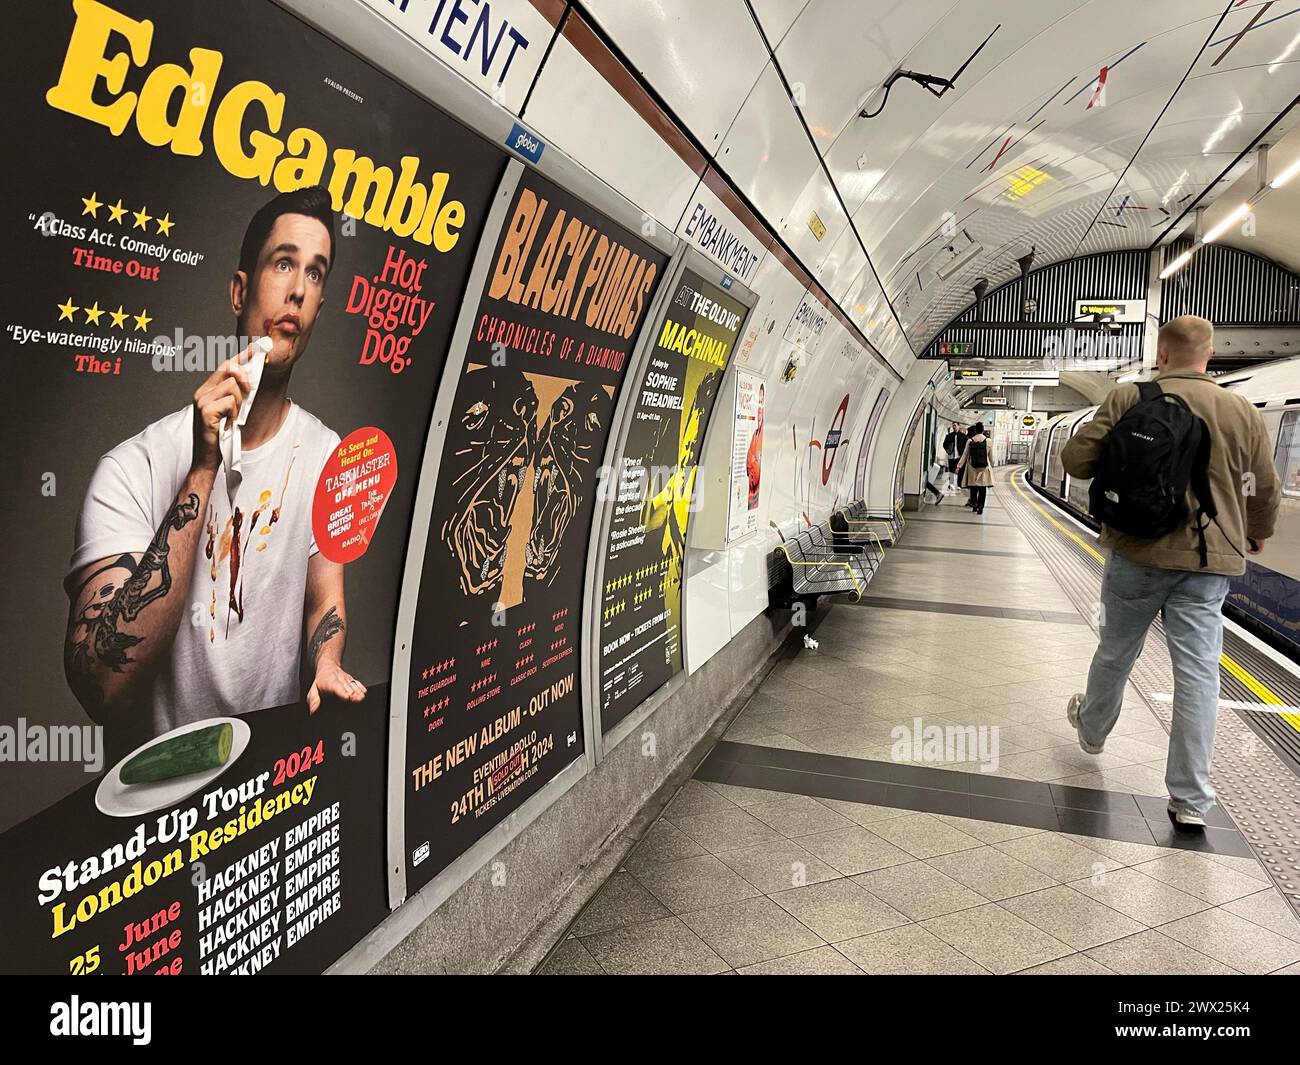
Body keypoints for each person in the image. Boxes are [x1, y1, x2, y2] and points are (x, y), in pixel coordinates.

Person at [64, 186, 367, 743]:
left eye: (316, 273)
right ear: (239, 291)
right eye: (283, 264)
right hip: (154, 806)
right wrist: (204, 467)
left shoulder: (329, 456)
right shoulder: (132, 469)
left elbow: (325, 598)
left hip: (268, 790)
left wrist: (326, 662)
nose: (298, 290)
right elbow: (100, 683)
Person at [1061, 315, 1281, 829]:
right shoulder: (1241, 409)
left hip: (1136, 551)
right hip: (1209, 563)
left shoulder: (1127, 396)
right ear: (1209, 357)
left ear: (1162, 353)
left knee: (1117, 649)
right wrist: (1255, 529)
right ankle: (1190, 801)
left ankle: (1092, 730)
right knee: (1199, 675)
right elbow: (1265, 490)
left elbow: (1075, 460)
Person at [956, 421, 993, 514]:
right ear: (983, 430)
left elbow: (964, 455)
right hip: (984, 468)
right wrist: (991, 466)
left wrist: (958, 466)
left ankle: (974, 505)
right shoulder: (988, 441)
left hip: (972, 467)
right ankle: (981, 507)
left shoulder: (970, 441)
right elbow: (991, 456)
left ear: (976, 430)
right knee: (982, 488)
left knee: (973, 487)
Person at [942, 421, 967, 495]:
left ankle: (959, 484)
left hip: (959, 456)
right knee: (951, 471)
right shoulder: (949, 436)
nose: (954, 427)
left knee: (960, 471)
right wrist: (948, 450)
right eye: (953, 426)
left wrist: (963, 454)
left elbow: (966, 446)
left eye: (955, 425)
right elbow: (944, 444)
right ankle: (951, 484)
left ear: (959, 426)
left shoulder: (963, 436)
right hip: (951, 456)